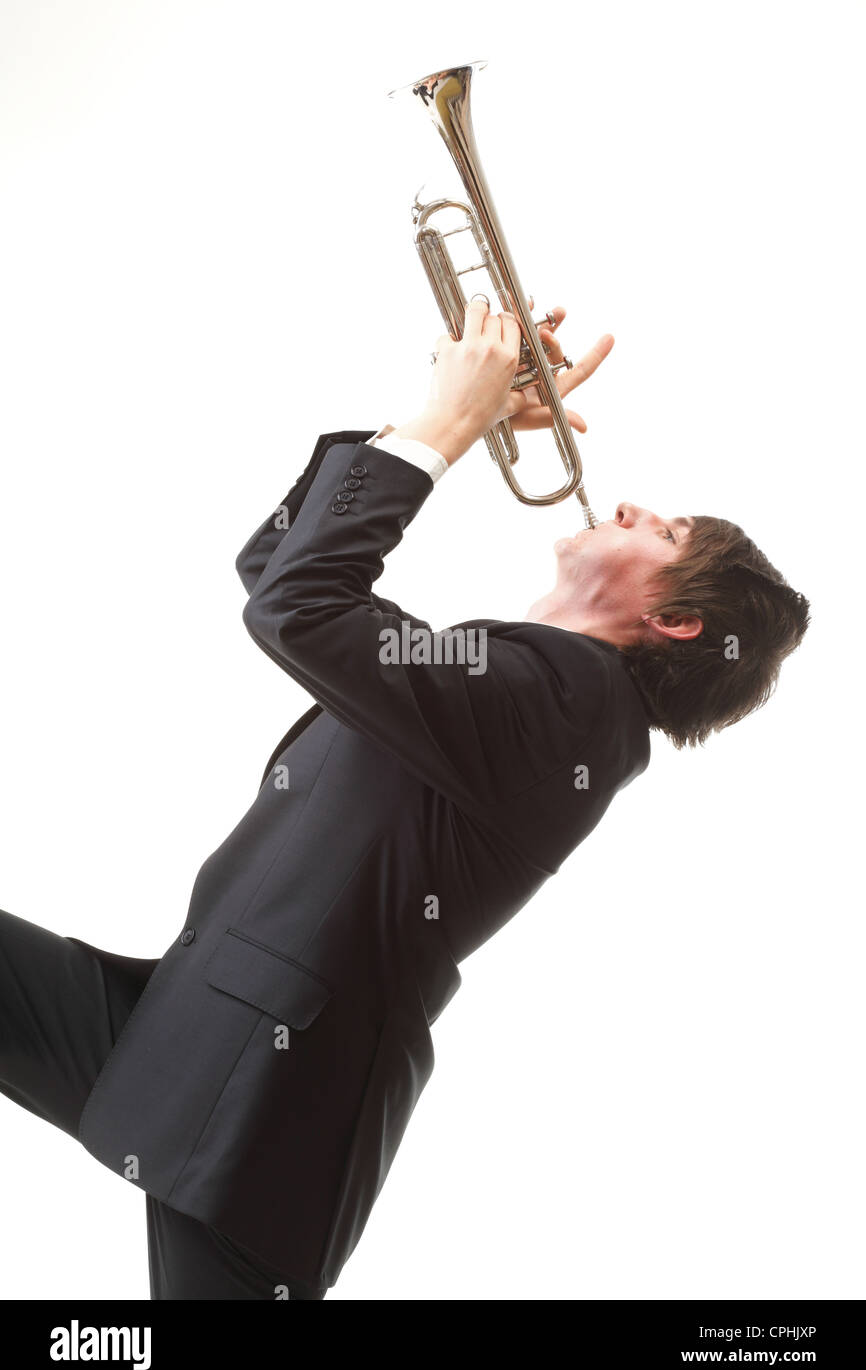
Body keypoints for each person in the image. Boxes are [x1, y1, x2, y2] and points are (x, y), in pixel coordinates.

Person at [0, 297, 810, 1299]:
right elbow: (280, 571)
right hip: (191, 1019)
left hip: (271, 1089)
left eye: (667, 526)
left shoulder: (566, 705)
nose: (636, 504)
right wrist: (425, 427)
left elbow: (297, 606)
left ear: (676, 621)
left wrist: (451, 420)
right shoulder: (524, 685)